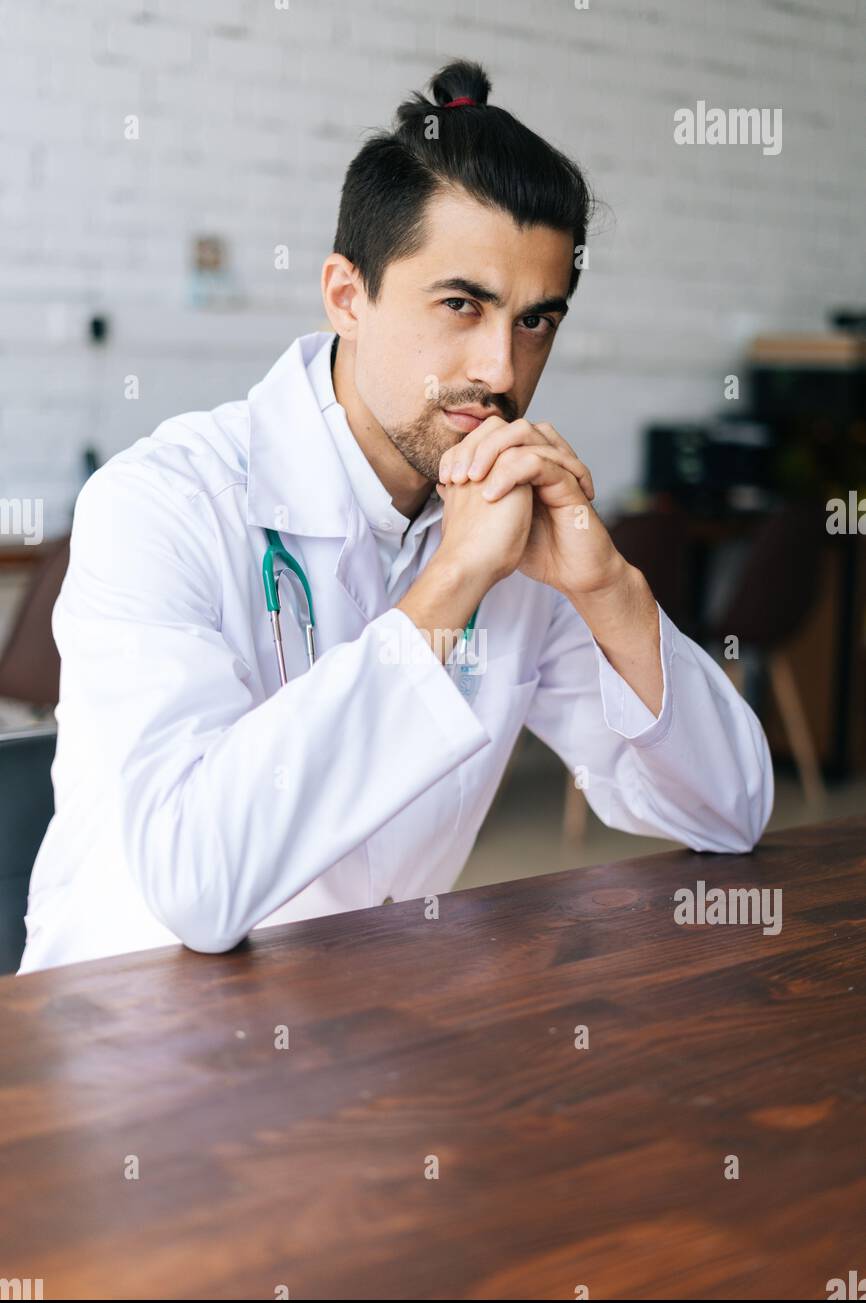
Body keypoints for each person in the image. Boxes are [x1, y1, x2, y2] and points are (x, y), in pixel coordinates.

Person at [19, 59, 773, 974]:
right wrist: (451, 585)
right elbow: (197, 889)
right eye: (462, 305)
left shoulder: (515, 530)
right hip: (126, 1038)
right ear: (347, 295)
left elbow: (730, 811)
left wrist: (607, 588)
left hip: (371, 1028)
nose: (501, 369)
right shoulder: (161, 504)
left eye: (537, 321)